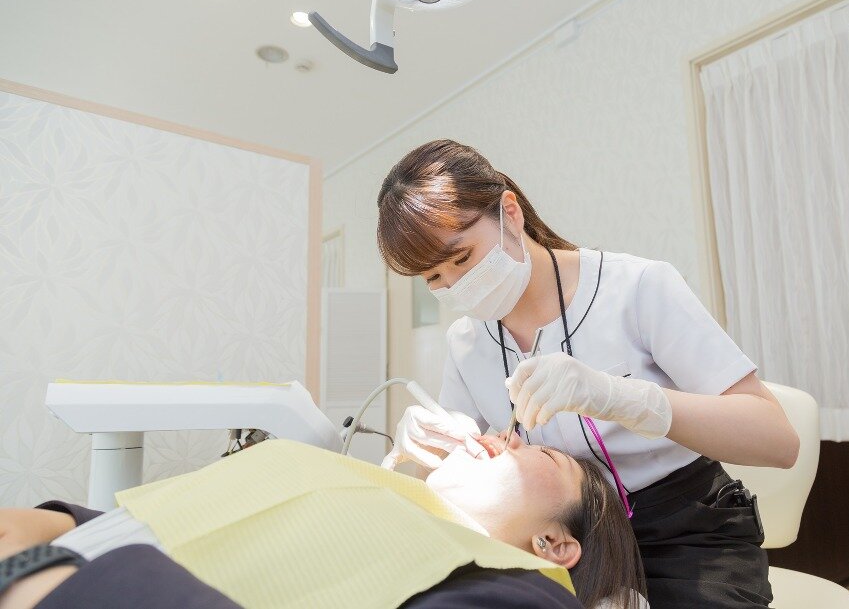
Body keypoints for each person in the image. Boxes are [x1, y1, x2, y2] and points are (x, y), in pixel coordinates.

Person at [376, 139, 801, 608]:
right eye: (434, 278)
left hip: (686, 536)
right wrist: (430, 450)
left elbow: (779, 442)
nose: (458, 286)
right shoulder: (465, 344)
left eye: (461, 258)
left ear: (510, 213)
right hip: (557, 552)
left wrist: (625, 398)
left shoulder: (636, 289)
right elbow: (458, 498)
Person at [0, 434, 646, 609]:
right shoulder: (387, 500)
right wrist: (47, 529)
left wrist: (39, 576)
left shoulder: (521, 594)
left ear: (553, 543)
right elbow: (171, 522)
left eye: (541, 453)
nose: (503, 437)